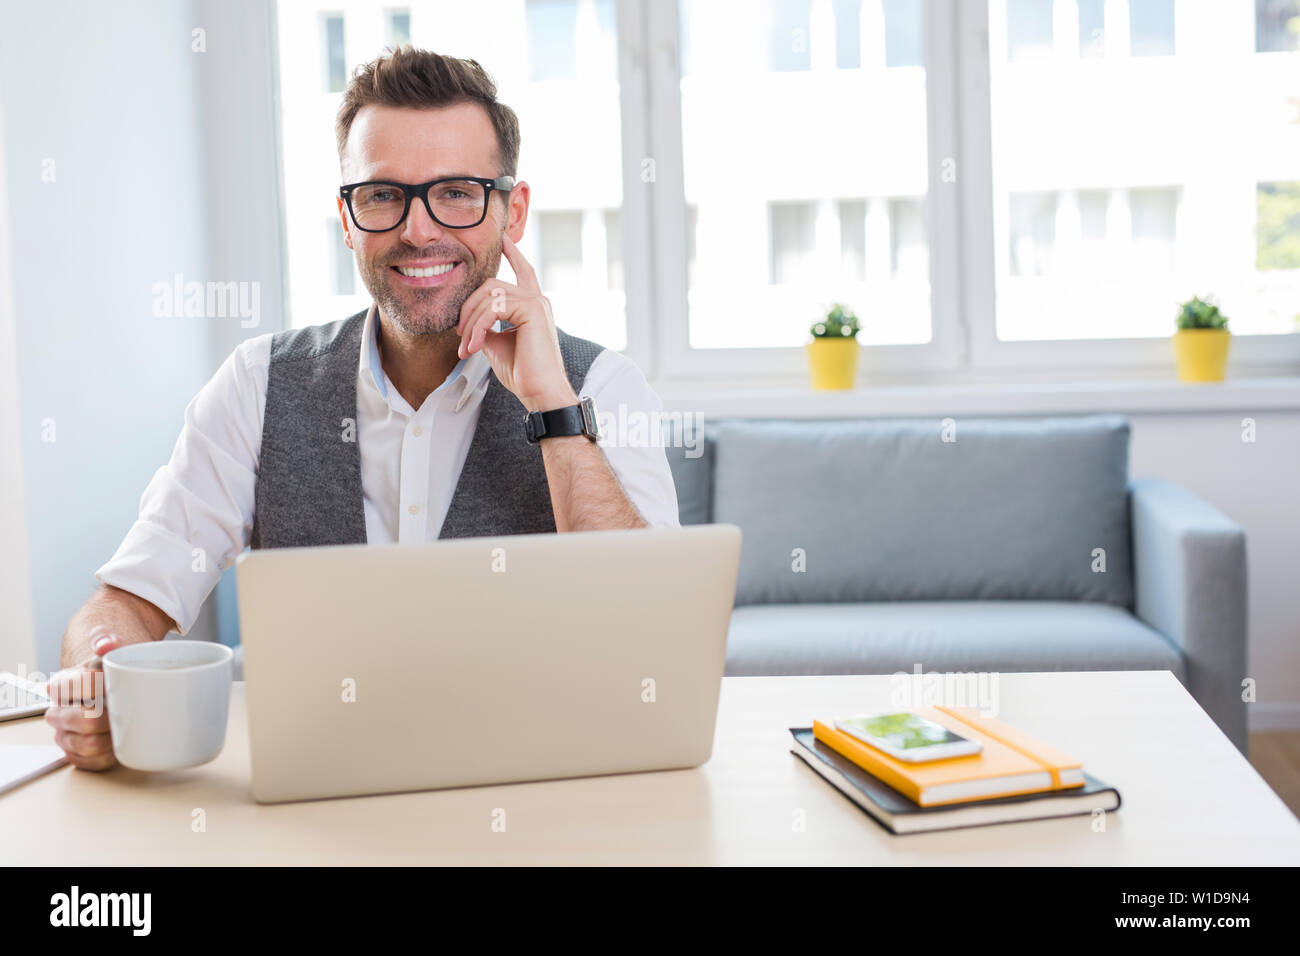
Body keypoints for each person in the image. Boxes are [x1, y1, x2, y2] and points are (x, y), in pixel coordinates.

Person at [45, 47, 678, 770]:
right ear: (347, 219)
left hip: (541, 797)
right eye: (382, 195)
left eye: (458, 192)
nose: (418, 230)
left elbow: (651, 645)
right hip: (318, 802)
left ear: (514, 212)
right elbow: (125, 602)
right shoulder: (257, 386)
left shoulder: (600, 387)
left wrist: (552, 407)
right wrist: (97, 678)